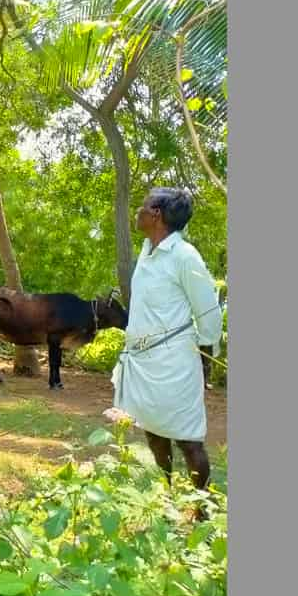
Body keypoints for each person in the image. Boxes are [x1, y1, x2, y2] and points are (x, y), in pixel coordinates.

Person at [112, 186, 223, 492]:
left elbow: (208, 310)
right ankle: (167, 495)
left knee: (187, 439)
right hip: (143, 362)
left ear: (156, 214)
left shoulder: (184, 256)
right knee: (153, 430)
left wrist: (206, 358)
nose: (138, 211)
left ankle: (201, 508)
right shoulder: (147, 253)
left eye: (143, 206)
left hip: (175, 363)